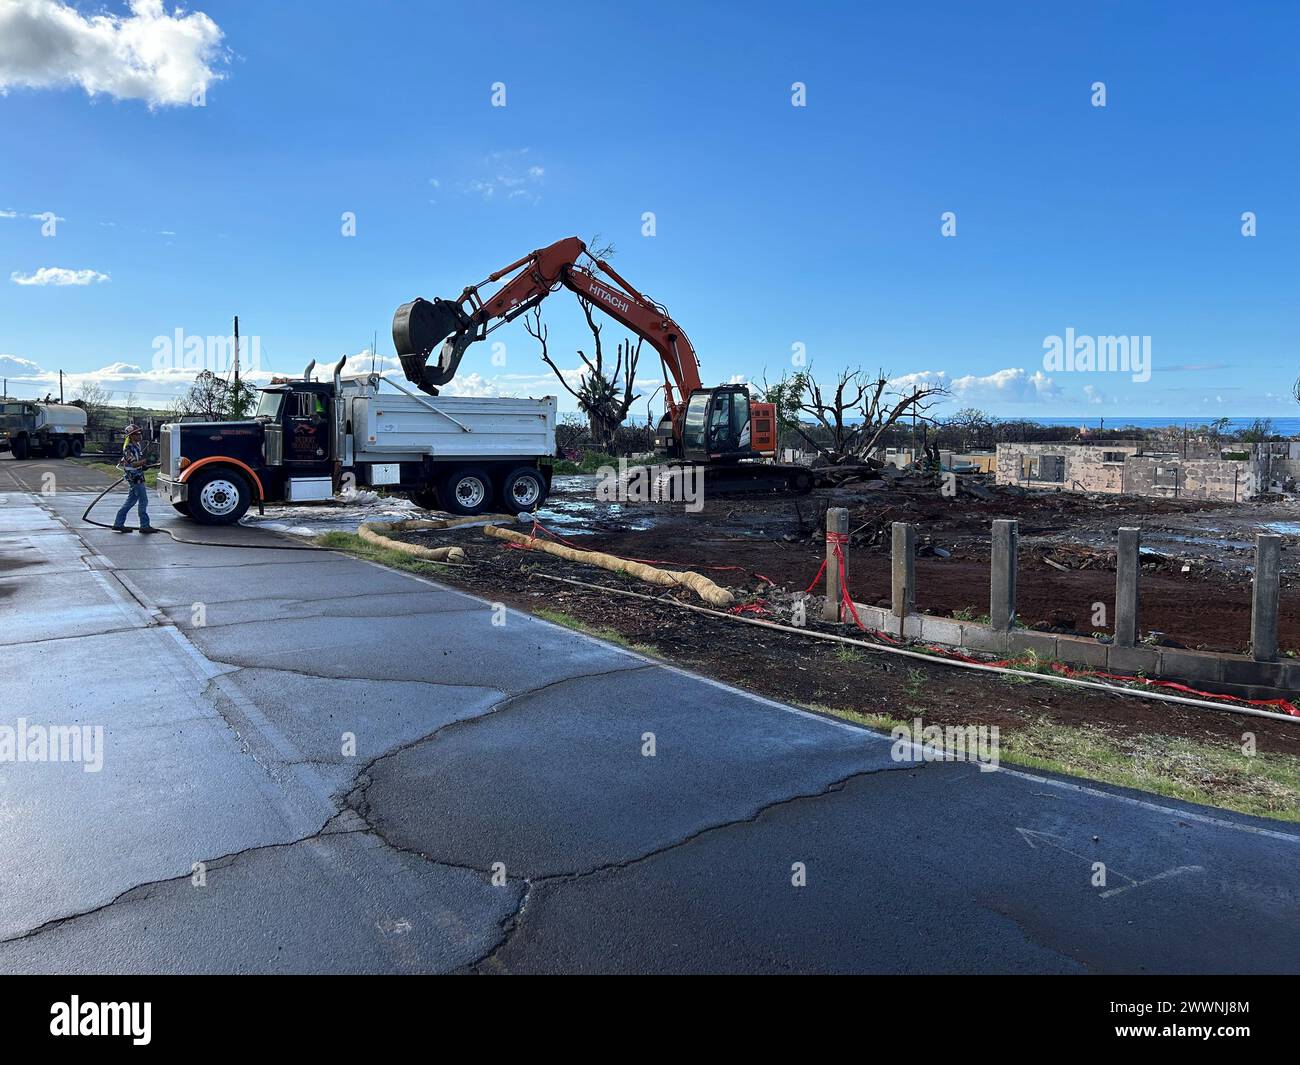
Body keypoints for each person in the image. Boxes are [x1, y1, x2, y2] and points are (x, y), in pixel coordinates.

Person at [112, 424, 156, 533]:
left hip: (138, 476)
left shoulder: (137, 446)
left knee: (131, 501)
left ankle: (118, 523)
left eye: (140, 433)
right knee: (143, 500)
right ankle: (144, 526)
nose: (140, 435)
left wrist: (143, 465)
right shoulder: (127, 449)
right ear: (131, 436)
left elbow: (138, 463)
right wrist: (144, 461)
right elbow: (133, 464)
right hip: (134, 478)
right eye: (137, 433)